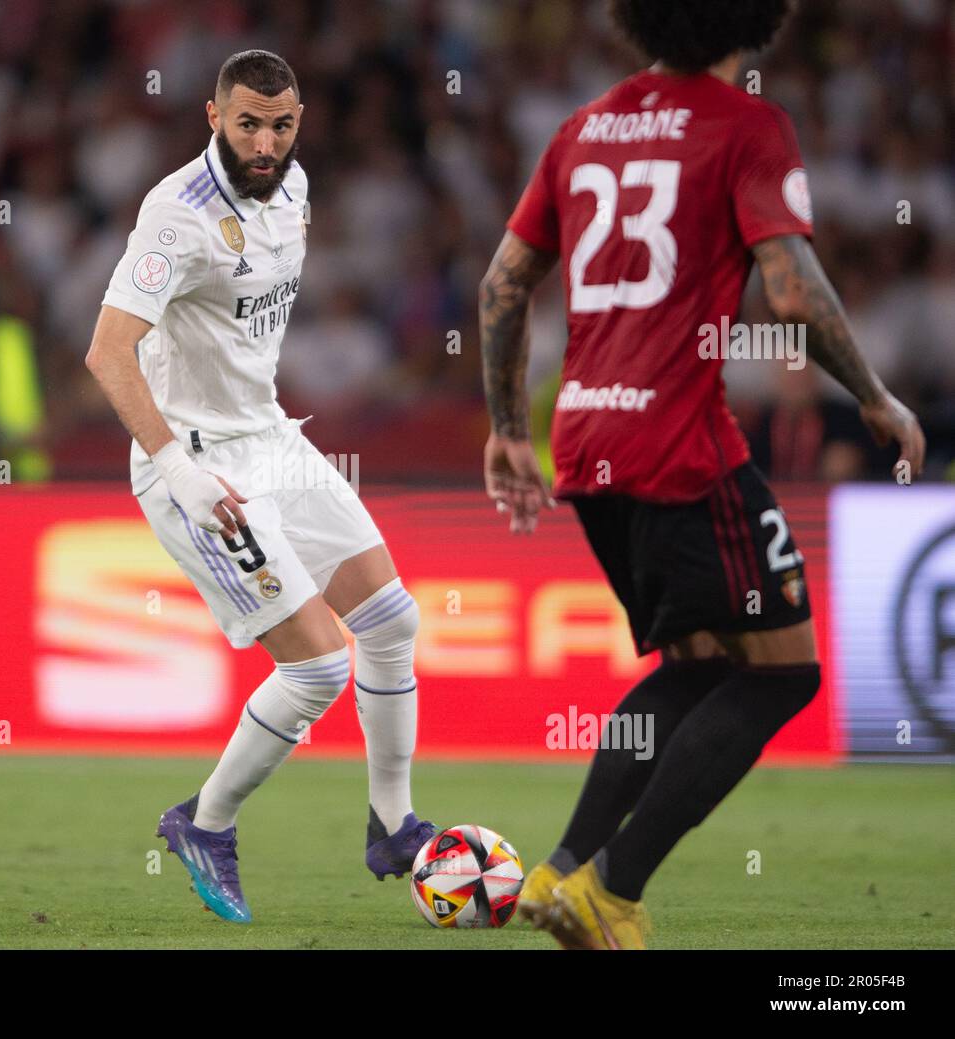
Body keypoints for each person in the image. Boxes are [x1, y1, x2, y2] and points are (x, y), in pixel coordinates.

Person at [478, 0, 925, 949]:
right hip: (682, 445)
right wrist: (877, 397)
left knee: (698, 664)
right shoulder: (750, 125)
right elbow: (792, 286)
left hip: (586, 443)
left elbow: (502, 284)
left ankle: (563, 872)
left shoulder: (581, 129)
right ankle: (615, 885)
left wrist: (510, 429)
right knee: (783, 675)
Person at [86, 50, 434, 924]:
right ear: (212, 115)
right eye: (247, 122)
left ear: (300, 120)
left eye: (281, 124)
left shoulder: (295, 188)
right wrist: (177, 467)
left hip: (269, 437)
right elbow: (107, 350)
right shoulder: (177, 215)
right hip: (195, 460)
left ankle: (393, 824)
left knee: (392, 618)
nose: (265, 141)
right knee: (316, 664)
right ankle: (206, 822)